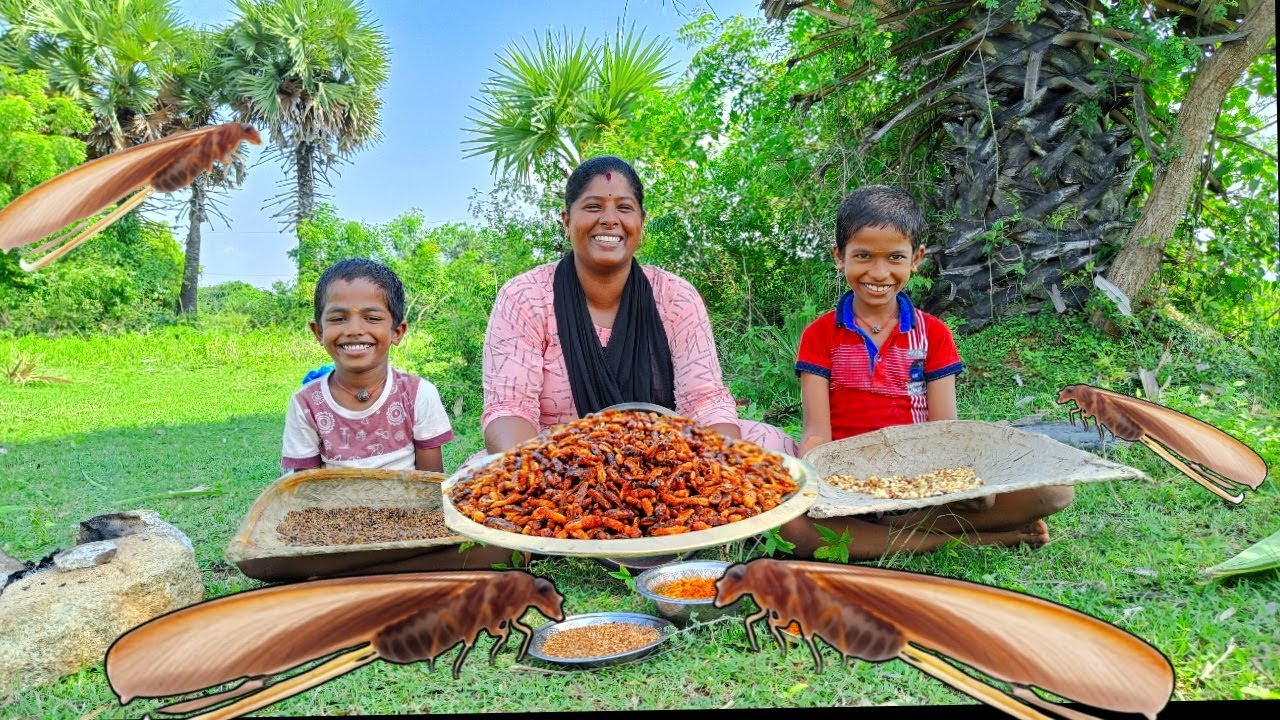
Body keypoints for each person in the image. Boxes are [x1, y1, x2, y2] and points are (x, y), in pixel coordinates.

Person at [783, 185, 1073, 559]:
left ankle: (891, 529)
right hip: (847, 484)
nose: (879, 271)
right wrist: (818, 487)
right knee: (792, 527)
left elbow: (943, 434)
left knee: (1056, 491)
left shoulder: (933, 334)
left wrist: (965, 482)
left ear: (915, 259)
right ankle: (973, 538)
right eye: (863, 256)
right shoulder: (819, 335)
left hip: (919, 484)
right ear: (839, 257)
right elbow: (816, 435)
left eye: (895, 257)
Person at [480, 155, 798, 457]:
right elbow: (510, 408)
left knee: (770, 445)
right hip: (558, 458)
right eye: (592, 207)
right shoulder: (524, 298)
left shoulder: (675, 298)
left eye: (624, 208)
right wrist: (533, 474)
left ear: (641, 222)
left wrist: (718, 466)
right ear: (567, 221)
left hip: (666, 452)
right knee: (480, 483)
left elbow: (705, 401)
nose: (609, 219)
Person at [281, 258, 453, 473]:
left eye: (371, 318)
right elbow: (307, 491)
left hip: (409, 505)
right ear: (319, 332)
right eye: (337, 319)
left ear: (396, 332)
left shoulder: (418, 395)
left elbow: (431, 486)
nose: (354, 329)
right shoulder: (306, 404)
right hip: (330, 506)